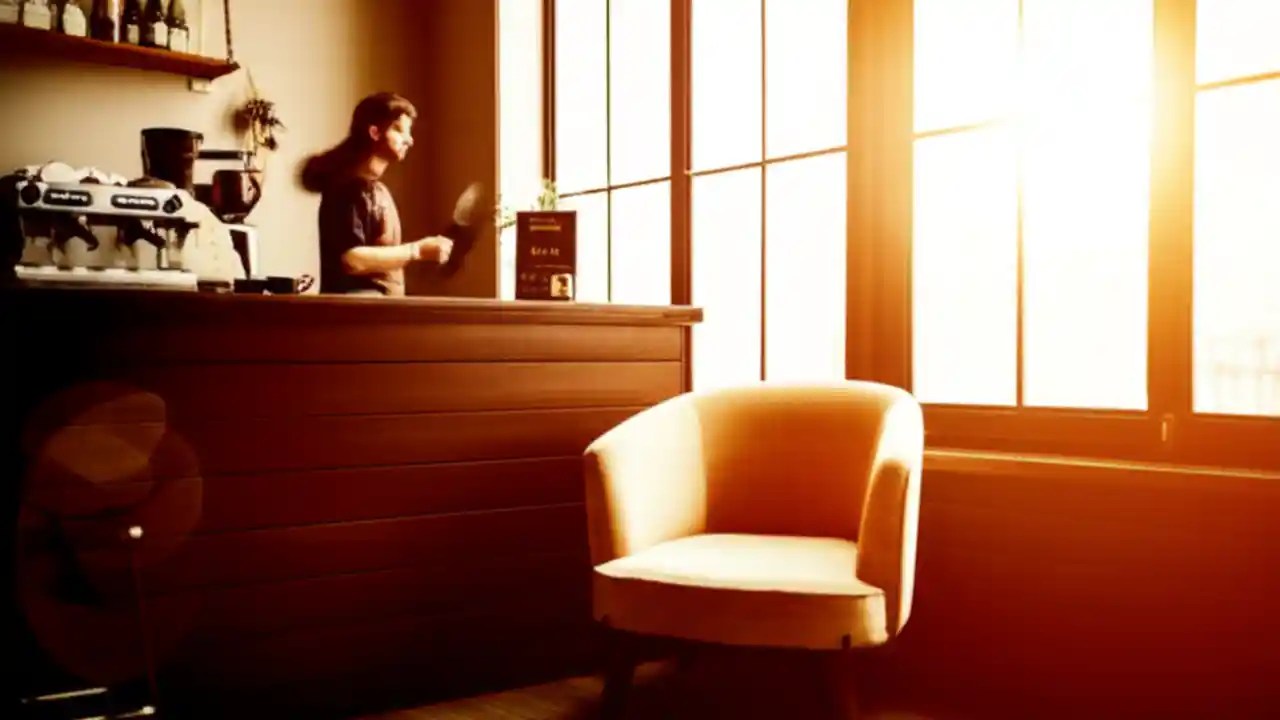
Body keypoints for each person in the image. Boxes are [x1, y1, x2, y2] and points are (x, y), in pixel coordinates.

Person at [301, 92, 453, 296]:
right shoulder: (347, 189)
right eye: (400, 130)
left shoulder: (377, 191)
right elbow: (352, 260)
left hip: (377, 318)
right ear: (375, 132)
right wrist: (416, 251)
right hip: (354, 322)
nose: (409, 140)